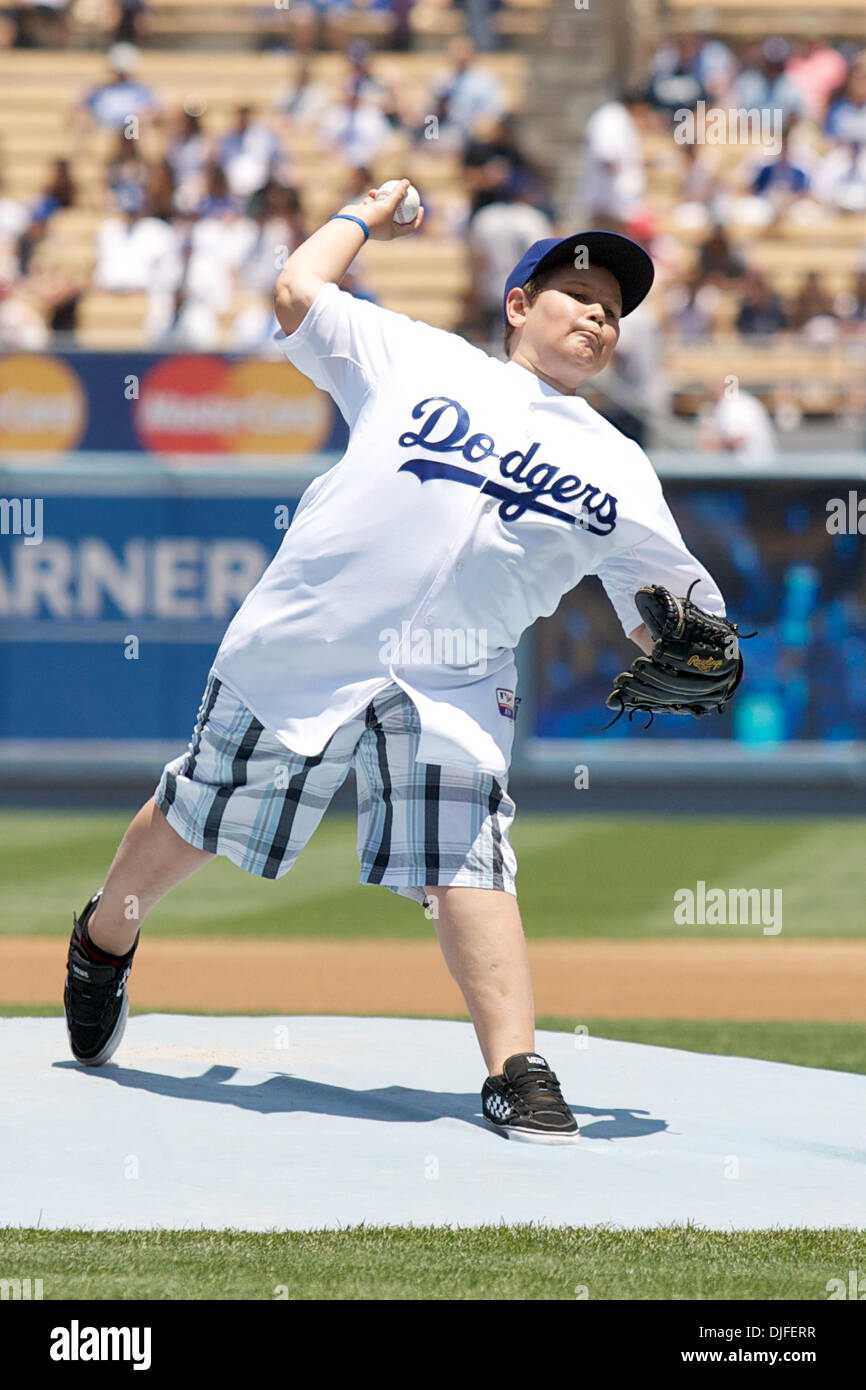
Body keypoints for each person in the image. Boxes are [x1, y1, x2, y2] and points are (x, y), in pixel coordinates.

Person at [64, 187, 732, 1144]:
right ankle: (103, 940)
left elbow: (666, 612)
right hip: (311, 639)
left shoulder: (620, 465)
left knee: (467, 854)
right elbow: (298, 287)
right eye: (577, 291)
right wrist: (367, 210)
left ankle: (515, 1067)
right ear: (517, 305)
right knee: (201, 818)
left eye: (614, 307)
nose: (598, 312)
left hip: (456, 680)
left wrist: (698, 652)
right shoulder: (417, 353)